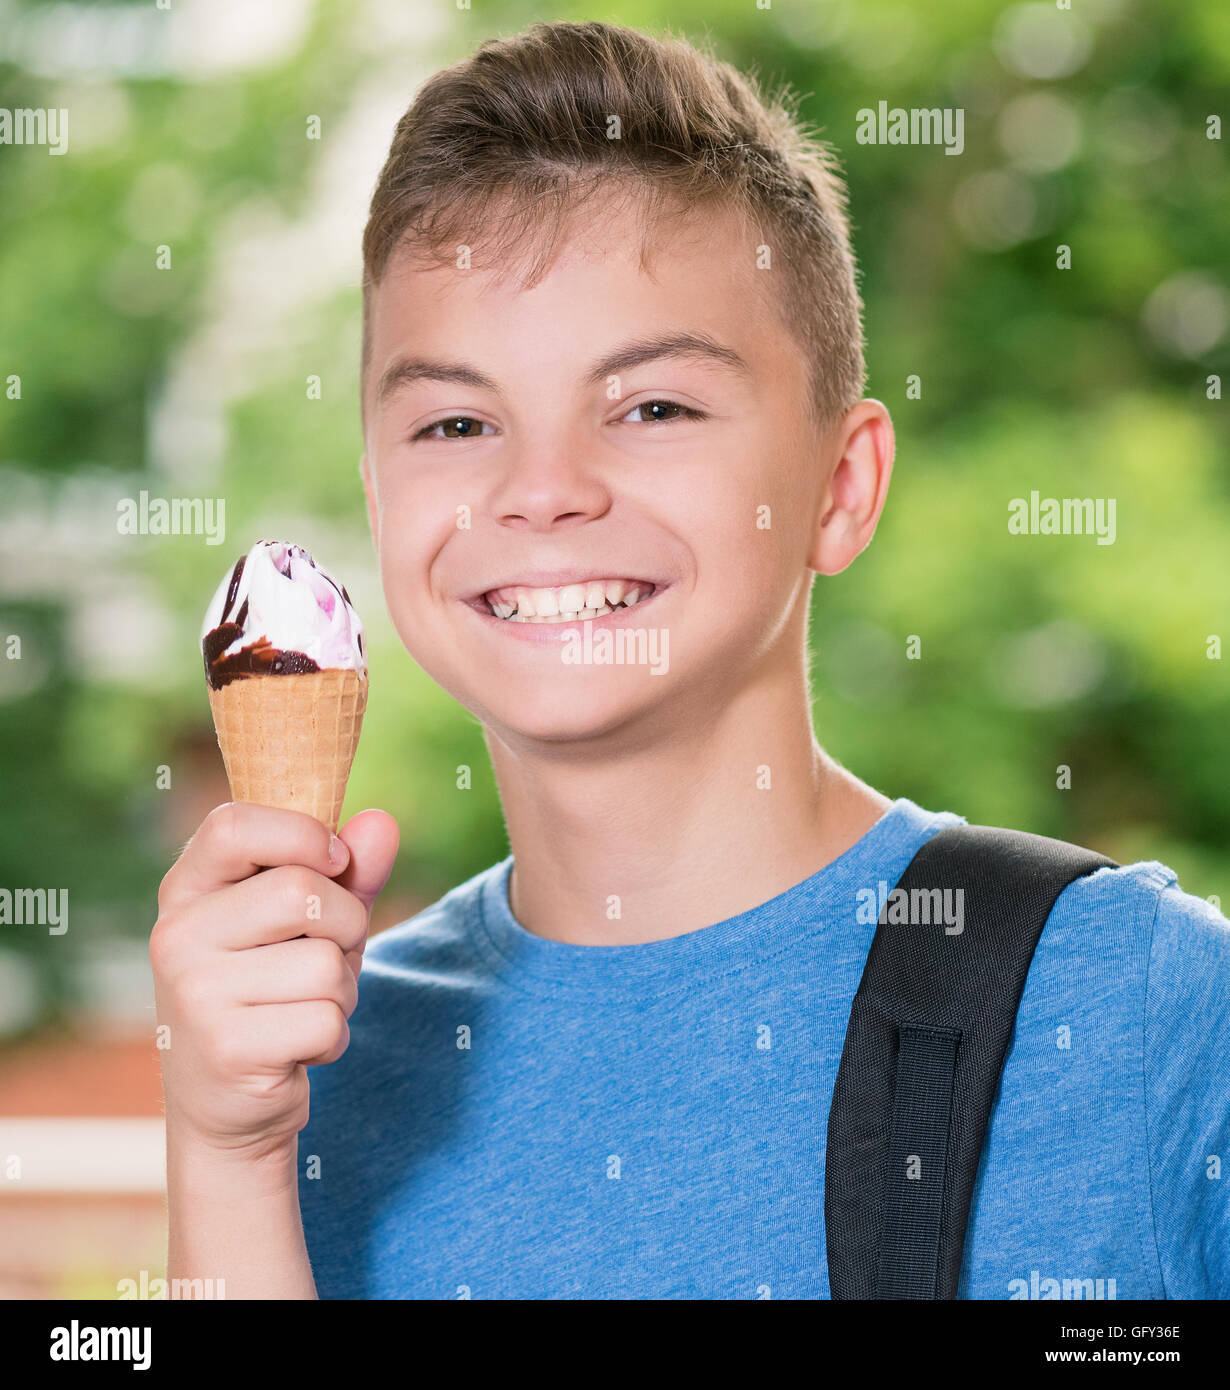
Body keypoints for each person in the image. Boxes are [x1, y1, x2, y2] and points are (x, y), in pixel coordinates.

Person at [152, 21, 1230, 1299]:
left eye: (652, 406)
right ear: (380, 501)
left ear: (841, 483)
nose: (541, 490)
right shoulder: (300, 1065)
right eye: (455, 420)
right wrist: (225, 1160)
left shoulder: (1144, 1005)